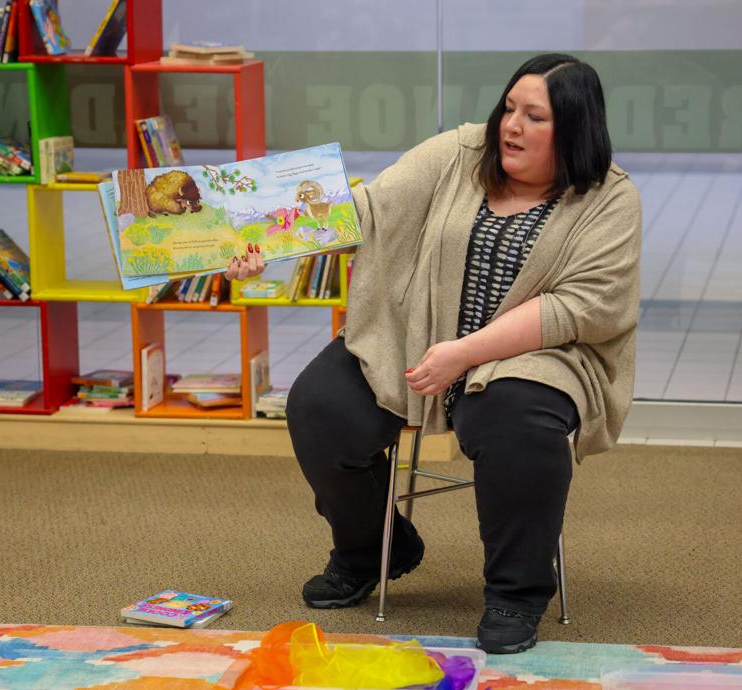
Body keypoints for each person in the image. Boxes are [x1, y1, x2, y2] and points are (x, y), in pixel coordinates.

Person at [225, 53, 641, 654]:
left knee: (517, 420)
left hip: (537, 354)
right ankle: (372, 549)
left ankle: (516, 594)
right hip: (417, 330)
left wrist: (464, 354)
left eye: (534, 116)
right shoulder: (459, 153)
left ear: (575, 130)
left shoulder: (610, 198)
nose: (511, 126)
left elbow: (580, 308)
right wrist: (265, 240)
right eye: (508, 107)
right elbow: (366, 210)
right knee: (321, 406)